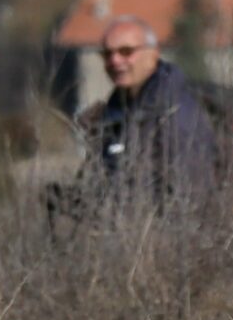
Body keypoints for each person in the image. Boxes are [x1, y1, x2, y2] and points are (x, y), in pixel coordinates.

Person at [80, 16, 219, 208]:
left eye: (126, 51)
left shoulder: (175, 113)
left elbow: (192, 195)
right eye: (107, 54)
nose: (115, 61)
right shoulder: (118, 111)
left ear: (153, 53)